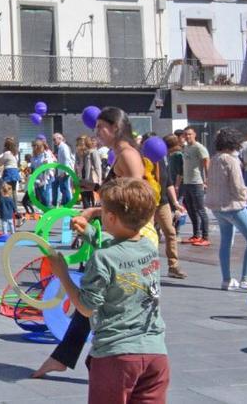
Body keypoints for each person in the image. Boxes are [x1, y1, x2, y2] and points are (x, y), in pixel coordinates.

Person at [46, 177, 169, 402]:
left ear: (111, 217)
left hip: (117, 355)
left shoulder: (102, 259)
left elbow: (85, 308)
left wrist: (62, 273)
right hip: (155, 352)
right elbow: (122, 250)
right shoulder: (148, 246)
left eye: (103, 211)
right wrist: (90, 234)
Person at [207, 127, 247, 290]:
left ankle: (226, 279)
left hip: (217, 206)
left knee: (225, 242)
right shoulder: (232, 161)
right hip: (233, 206)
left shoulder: (214, 159)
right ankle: (246, 278)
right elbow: (238, 187)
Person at [154, 135, 187, 280]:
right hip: (147, 203)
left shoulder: (162, 161)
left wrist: (175, 203)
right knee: (148, 235)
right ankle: (148, 266)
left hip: (163, 202)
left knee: (170, 232)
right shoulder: (141, 161)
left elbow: (168, 183)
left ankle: (173, 266)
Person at [180, 126, 211, 245]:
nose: (187, 136)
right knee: (191, 210)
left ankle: (205, 237)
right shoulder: (186, 147)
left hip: (197, 182)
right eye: (186, 134)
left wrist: (207, 179)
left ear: (194, 135)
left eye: (190, 134)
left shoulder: (199, 147)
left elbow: (206, 160)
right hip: (187, 182)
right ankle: (196, 234)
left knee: (200, 210)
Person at [53, 132, 75, 207]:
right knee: (63, 189)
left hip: (65, 172)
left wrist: (65, 171)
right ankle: (66, 204)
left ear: (60, 139)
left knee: (65, 188)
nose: (54, 141)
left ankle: (69, 204)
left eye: (54, 139)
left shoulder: (64, 147)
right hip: (61, 171)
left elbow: (66, 159)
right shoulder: (60, 147)